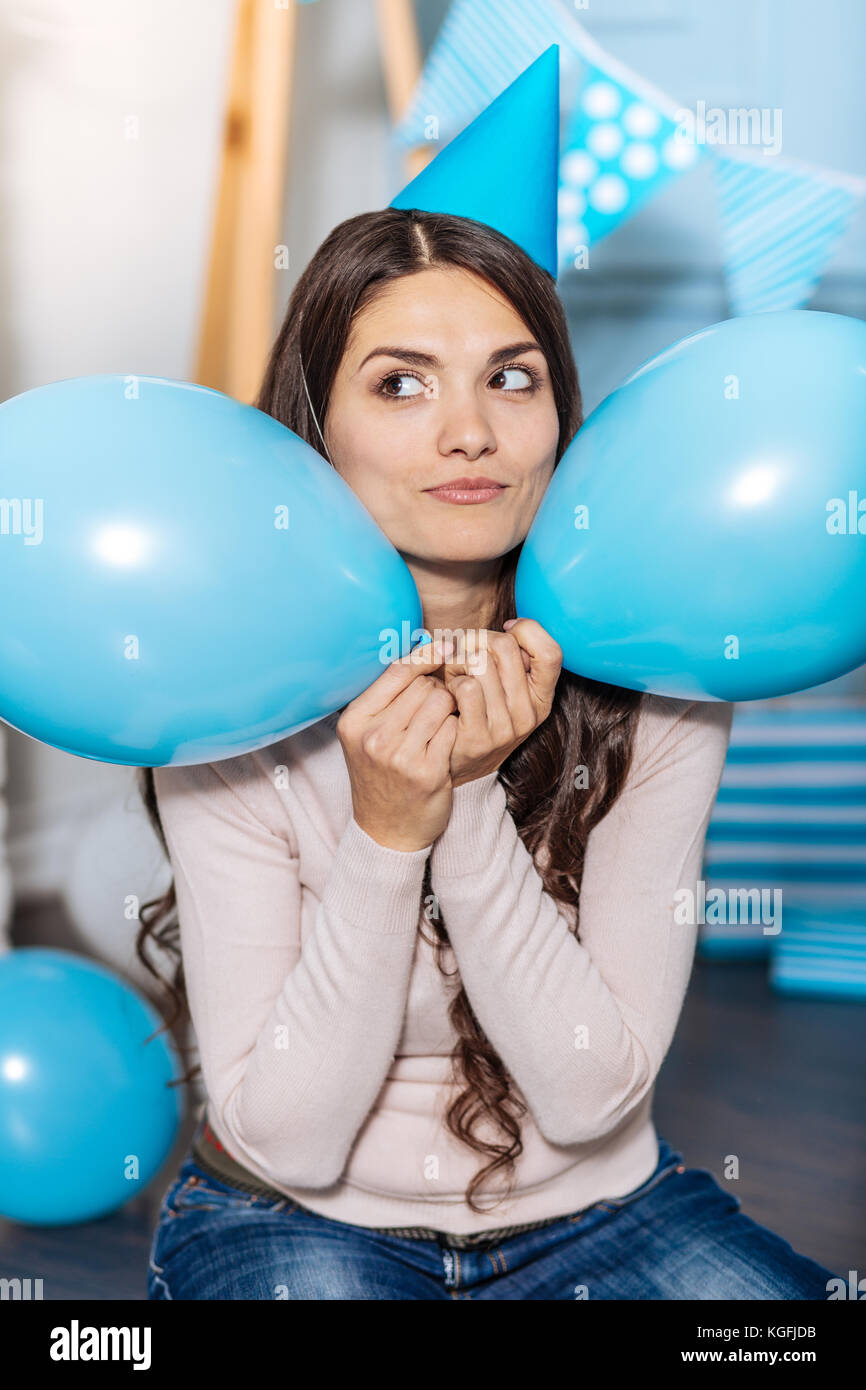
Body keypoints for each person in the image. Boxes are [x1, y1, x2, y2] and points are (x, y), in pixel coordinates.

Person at [138, 47, 839, 1300]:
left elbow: (588, 1094)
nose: (468, 431)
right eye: (400, 383)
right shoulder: (231, 693)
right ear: (318, 433)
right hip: (297, 1220)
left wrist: (458, 796)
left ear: (559, 415)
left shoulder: (659, 679)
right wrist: (384, 824)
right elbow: (288, 1136)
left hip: (598, 1209)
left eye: (509, 377)